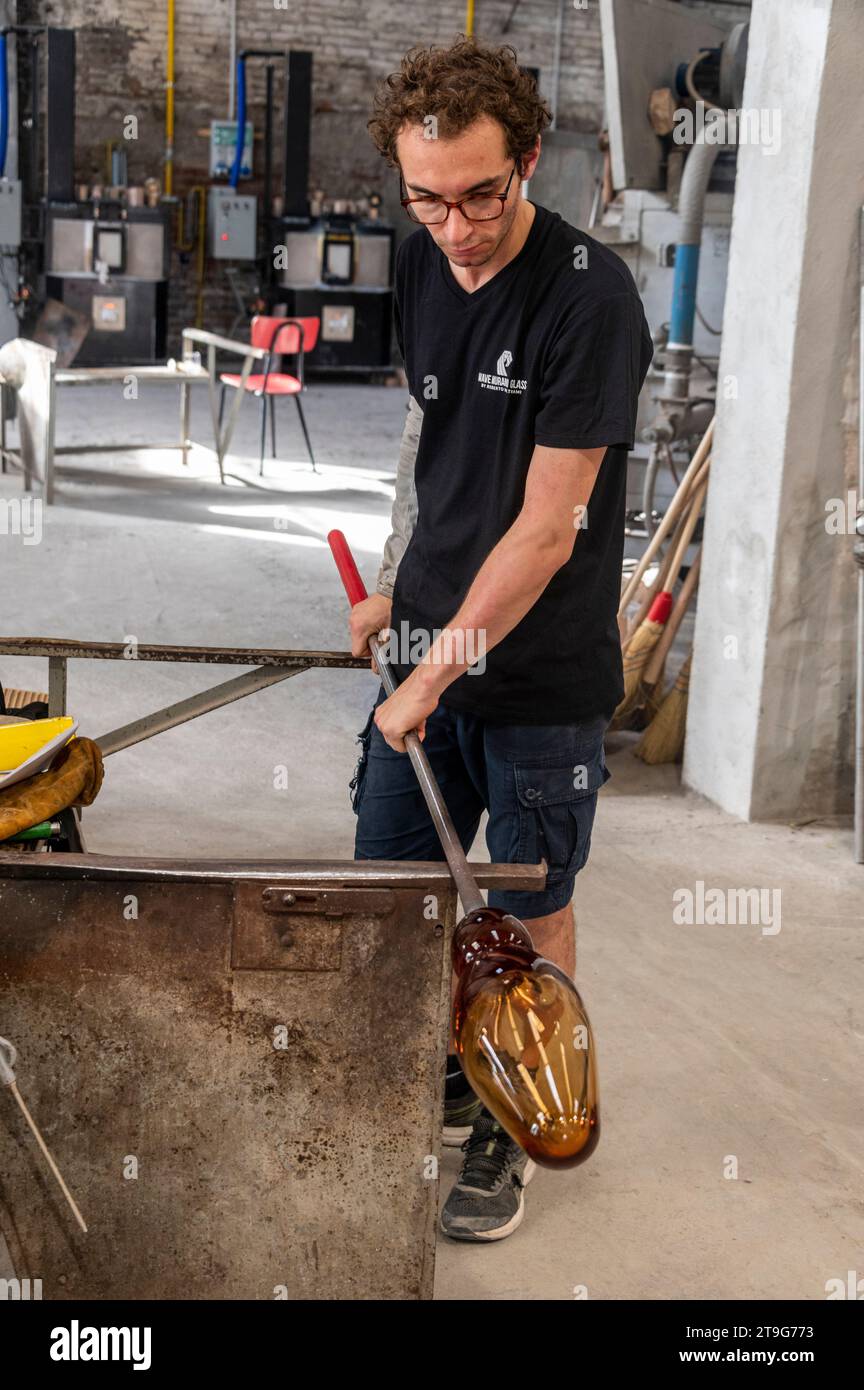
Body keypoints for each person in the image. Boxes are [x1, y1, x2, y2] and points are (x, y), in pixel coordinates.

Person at [347, 35, 653, 1242]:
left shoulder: (591, 294)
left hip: (533, 674)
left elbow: (542, 529)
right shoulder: (425, 267)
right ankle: (439, 1059)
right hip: (419, 650)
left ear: (529, 161)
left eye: (484, 194)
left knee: (527, 906)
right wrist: (391, 584)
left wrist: (429, 674)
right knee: (395, 890)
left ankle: (510, 1120)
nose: (459, 228)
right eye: (429, 200)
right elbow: (426, 452)